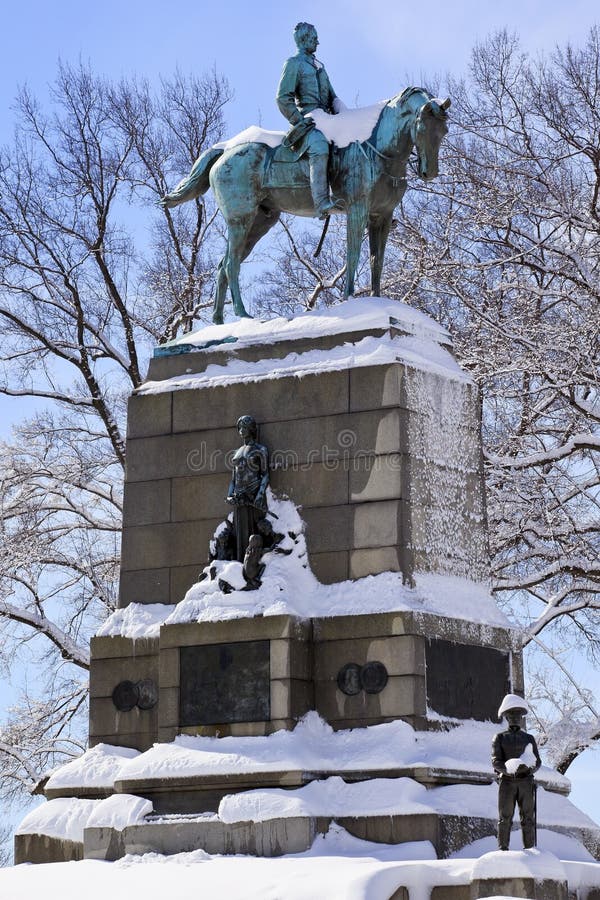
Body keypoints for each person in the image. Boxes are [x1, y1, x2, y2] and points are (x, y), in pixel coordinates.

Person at [276, 22, 345, 219]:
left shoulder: (320, 67)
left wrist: (347, 114)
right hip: (308, 123)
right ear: (304, 39)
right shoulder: (294, 64)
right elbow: (282, 98)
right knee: (319, 146)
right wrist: (299, 120)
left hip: (328, 120)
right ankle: (321, 202)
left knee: (353, 145)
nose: (318, 42)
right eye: (314, 38)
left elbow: (333, 97)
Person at [492, 693, 542, 851]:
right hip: (507, 782)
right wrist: (508, 770)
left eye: (518, 715)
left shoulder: (529, 738)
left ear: (522, 718)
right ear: (506, 717)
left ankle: (530, 849)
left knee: (528, 818)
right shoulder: (499, 737)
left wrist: (528, 769)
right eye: (511, 715)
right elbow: (495, 761)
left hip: (525, 782)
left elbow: (537, 761)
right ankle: (502, 849)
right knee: (505, 818)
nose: (515, 718)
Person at [226, 415, 271, 563]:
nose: (241, 430)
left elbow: (265, 475)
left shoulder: (260, 450)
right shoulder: (236, 452)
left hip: (253, 497)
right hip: (239, 498)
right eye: (240, 427)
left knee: (252, 532)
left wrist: (259, 495)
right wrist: (229, 495)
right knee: (240, 533)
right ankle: (240, 565)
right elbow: (233, 478)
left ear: (251, 429)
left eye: (245, 427)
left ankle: (253, 564)